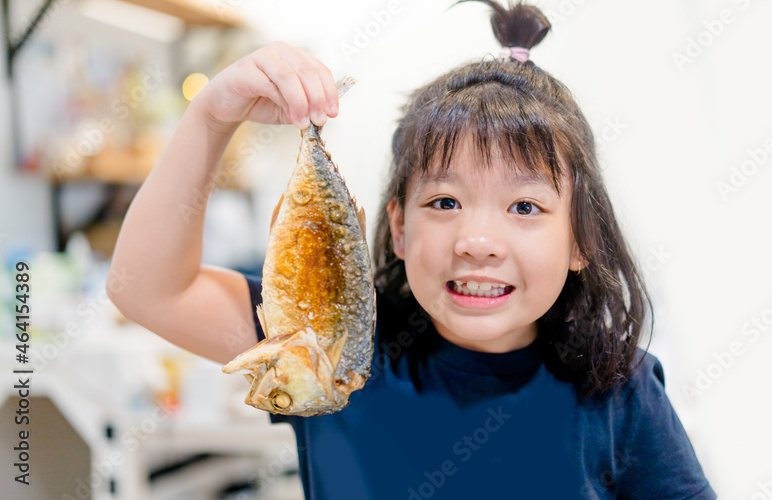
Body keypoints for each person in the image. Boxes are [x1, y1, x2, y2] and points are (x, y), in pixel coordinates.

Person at [107, 0, 716, 498]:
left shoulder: (619, 390)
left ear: (583, 238)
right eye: (445, 203)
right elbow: (148, 288)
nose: (478, 242)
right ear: (398, 227)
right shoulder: (333, 343)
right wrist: (212, 115)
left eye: (525, 207)